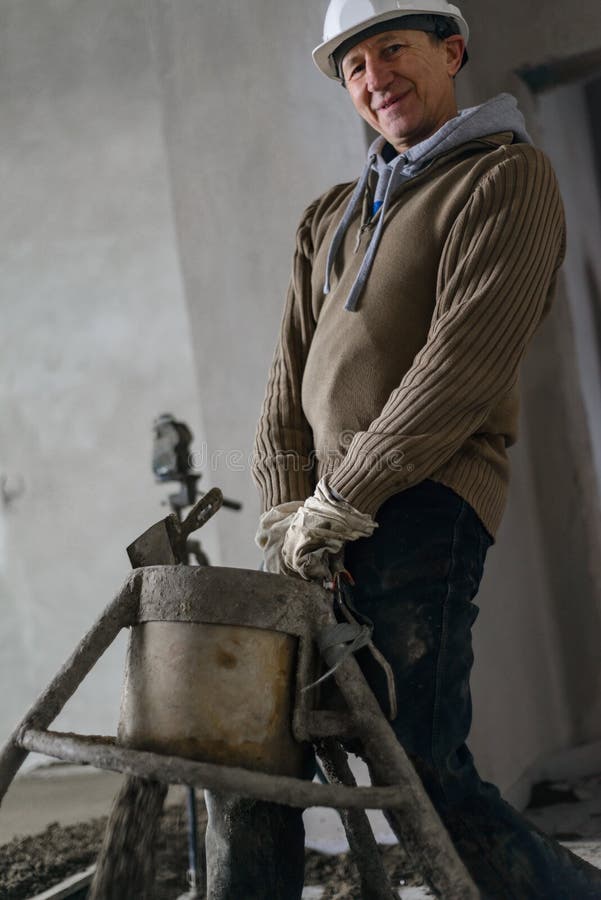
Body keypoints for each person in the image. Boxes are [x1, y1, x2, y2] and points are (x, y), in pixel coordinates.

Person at [206, 1, 601, 897]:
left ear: (450, 51)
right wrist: (287, 508)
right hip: (315, 524)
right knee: (255, 749)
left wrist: (345, 496)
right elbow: (286, 381)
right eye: (352, 65)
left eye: (393, 49)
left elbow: (459, 366)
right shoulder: (327, 216)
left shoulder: (506, 178)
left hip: (423, 505)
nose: (373, 76)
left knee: (419, 768)